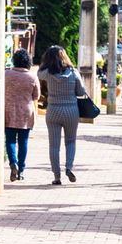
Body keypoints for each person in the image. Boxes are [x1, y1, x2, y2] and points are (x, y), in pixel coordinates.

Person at [37, 46, 89, 185]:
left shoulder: (47, 73)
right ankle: (69, 168)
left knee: (54, 145)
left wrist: (46, 63)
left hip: (53, 111)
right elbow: (81, 91)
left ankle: (57, 176)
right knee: (70, 141)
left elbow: (39, 73)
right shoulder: (73, 72)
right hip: (71, 111)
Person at [4, 49, 40, 181]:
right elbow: (36, 96)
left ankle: (13, 163)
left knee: (10, 140)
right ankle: (21, 170)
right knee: (23, 142)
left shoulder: (6, 74)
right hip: (26, 112)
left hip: (9, 111)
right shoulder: (32, 77)